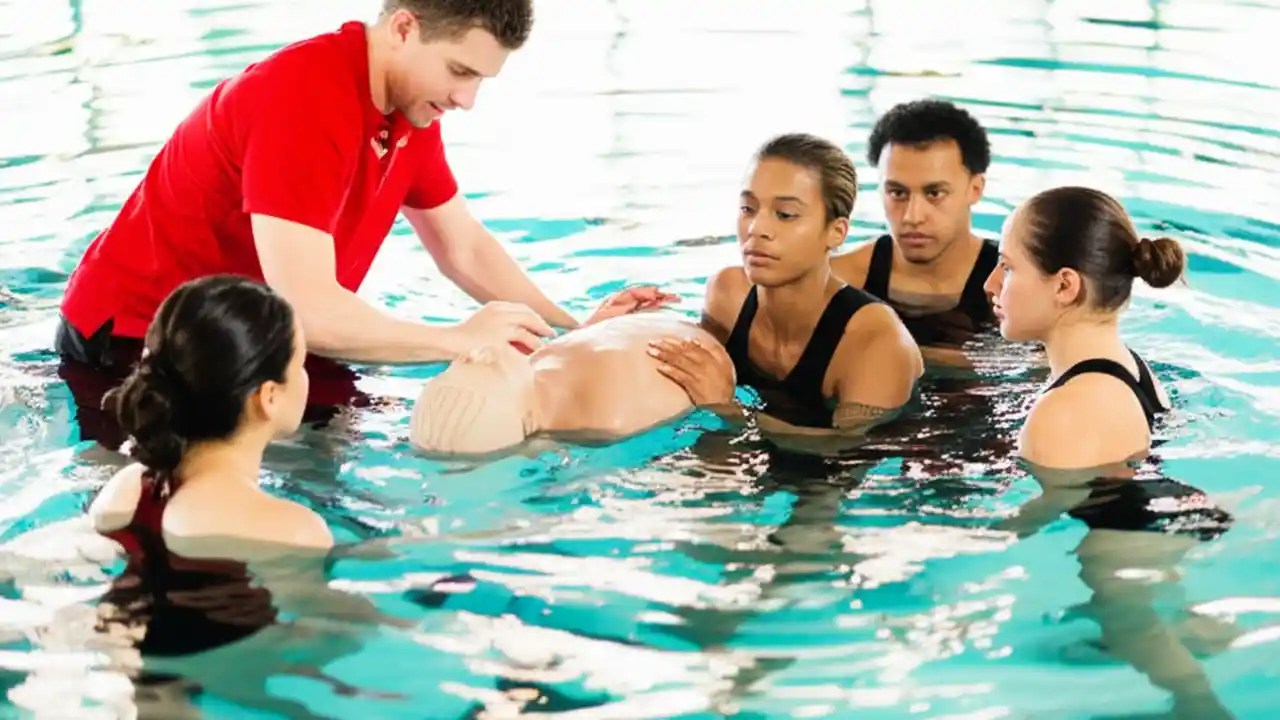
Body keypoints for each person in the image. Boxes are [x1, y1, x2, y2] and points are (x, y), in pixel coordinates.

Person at [53, 0, 665, 442]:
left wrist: (569, 329)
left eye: (481, 79)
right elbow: (312, 311)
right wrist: (459, 338)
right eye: (460, 71)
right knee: (174, 532)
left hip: (266, 334)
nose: (467, 100)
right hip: (141, 343)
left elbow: (463, 248)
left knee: (344, 441)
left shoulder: (409, 112)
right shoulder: (303, 97)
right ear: (404, 27)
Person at [651, 133, 923, 446]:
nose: (757, 229)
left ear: (836, 232)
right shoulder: (727, 296)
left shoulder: (875, 342)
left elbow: (847, 453)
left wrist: (729, 410)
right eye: (748, 208)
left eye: (785, 215)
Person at [983, 185, 1187, 468]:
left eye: (1007, 268)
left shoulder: (1060, 415)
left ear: (1064, 285)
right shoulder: (1134, 370)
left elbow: (1044, 511)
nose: (990, 284)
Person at [409, 307, 731, 455]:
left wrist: (589, 330)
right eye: (486, 372)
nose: (474, 356)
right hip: (721, 359)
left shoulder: (526, 377)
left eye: (453, 368)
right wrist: (723, 407)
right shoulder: (609, 418)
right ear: (525, 419)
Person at [831, 99, 999, 357]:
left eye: (934, 193)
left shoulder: (1012, 285)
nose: (912, 216)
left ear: (975, 189)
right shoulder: (839, 280)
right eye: (897, 192)